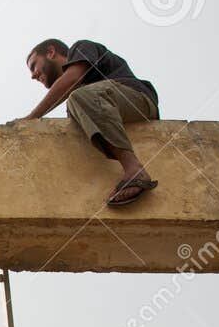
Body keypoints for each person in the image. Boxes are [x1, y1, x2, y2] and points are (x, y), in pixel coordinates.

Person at [24, 38, 160, 207]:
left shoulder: (81, 47)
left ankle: (134, 170)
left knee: (79, 96)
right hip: (109, 107)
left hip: (137, 99)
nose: (33, 75)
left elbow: (72, 79)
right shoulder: (78, 102)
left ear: (51, 52)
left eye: (33, 65)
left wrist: (30, 119)